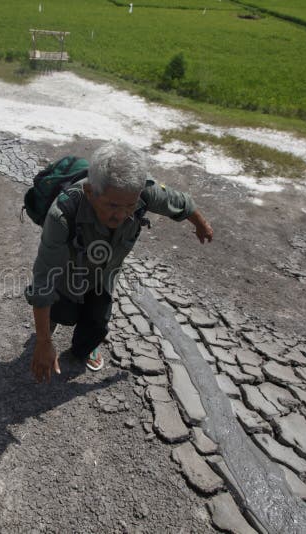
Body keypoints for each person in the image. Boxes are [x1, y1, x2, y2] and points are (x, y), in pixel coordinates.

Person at [25, 142, 213, 382]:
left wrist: (201, 224)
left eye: (130, 206)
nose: (122, 214)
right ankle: (47, 328)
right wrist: (43, 342)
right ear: (90, 192)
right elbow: (43, 280)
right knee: (64, 310)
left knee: (97, 322)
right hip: (68, 271)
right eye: (113, 205)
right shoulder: (62, 212)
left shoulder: (143, 191)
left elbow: (181, 203)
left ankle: (84, 349)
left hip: (107, 272)